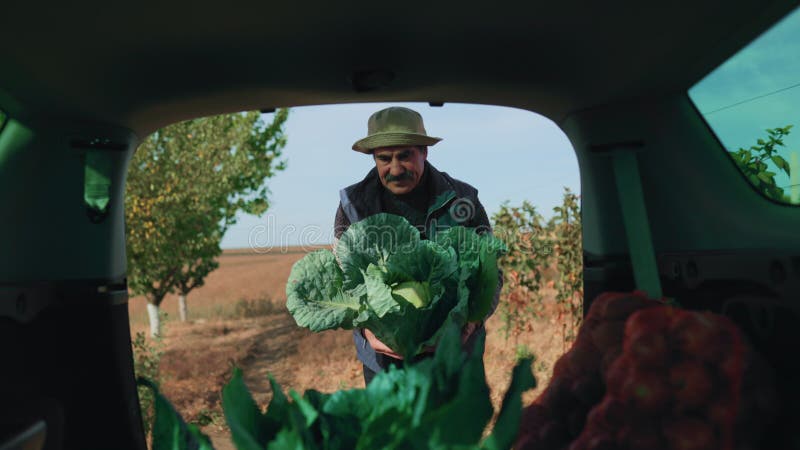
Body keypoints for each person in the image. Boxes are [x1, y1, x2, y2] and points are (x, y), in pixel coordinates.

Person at [333, 106, 502, 384]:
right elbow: (343, 280)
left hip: (455, 353)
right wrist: (369, 331)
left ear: (424, 151)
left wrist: (470, 323)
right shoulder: (353, 207)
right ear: (374, 159)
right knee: (396, 429)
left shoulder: (463, 200)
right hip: (385, 361)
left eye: (405, 156)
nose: (395, 169)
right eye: (384, 159)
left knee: (455, 427)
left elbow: (490, 273)